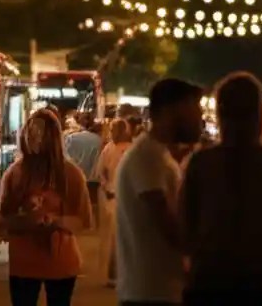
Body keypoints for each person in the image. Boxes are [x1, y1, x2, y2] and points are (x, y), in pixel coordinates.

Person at [181, 72, 262, 306]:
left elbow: (184, 232)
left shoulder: (201, 165)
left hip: (208, 286)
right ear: (260, 117)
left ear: (220, 117)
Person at [115, 78, 204, 306]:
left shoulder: (158, 155)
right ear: (171, 111)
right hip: (150, 293)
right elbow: (167, 224)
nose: (200, 119)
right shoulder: (147, 157)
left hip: (156, 290)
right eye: (195, 109)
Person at [0, 109, 94, 306]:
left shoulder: (71, 174)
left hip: (61, 263)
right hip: (23, 265)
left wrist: (55, 221)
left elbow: (83, 221)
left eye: (40, 134)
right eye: (31, 133)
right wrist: (26, 221)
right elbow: (2, 223)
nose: (35, 139)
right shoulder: (14, 174)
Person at [95, 117, 133, 286]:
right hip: (126, 200)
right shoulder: (132, 150)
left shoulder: (109, 149)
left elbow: (100, 173)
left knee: (113, 239)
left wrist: (106, 187)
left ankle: (114, 276)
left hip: (112, 198)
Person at [64, 111, 103, 214]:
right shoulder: (99, 140)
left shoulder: (71, 138)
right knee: (92, 211)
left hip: (75, 181)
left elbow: (65, 159)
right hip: (93, 182)